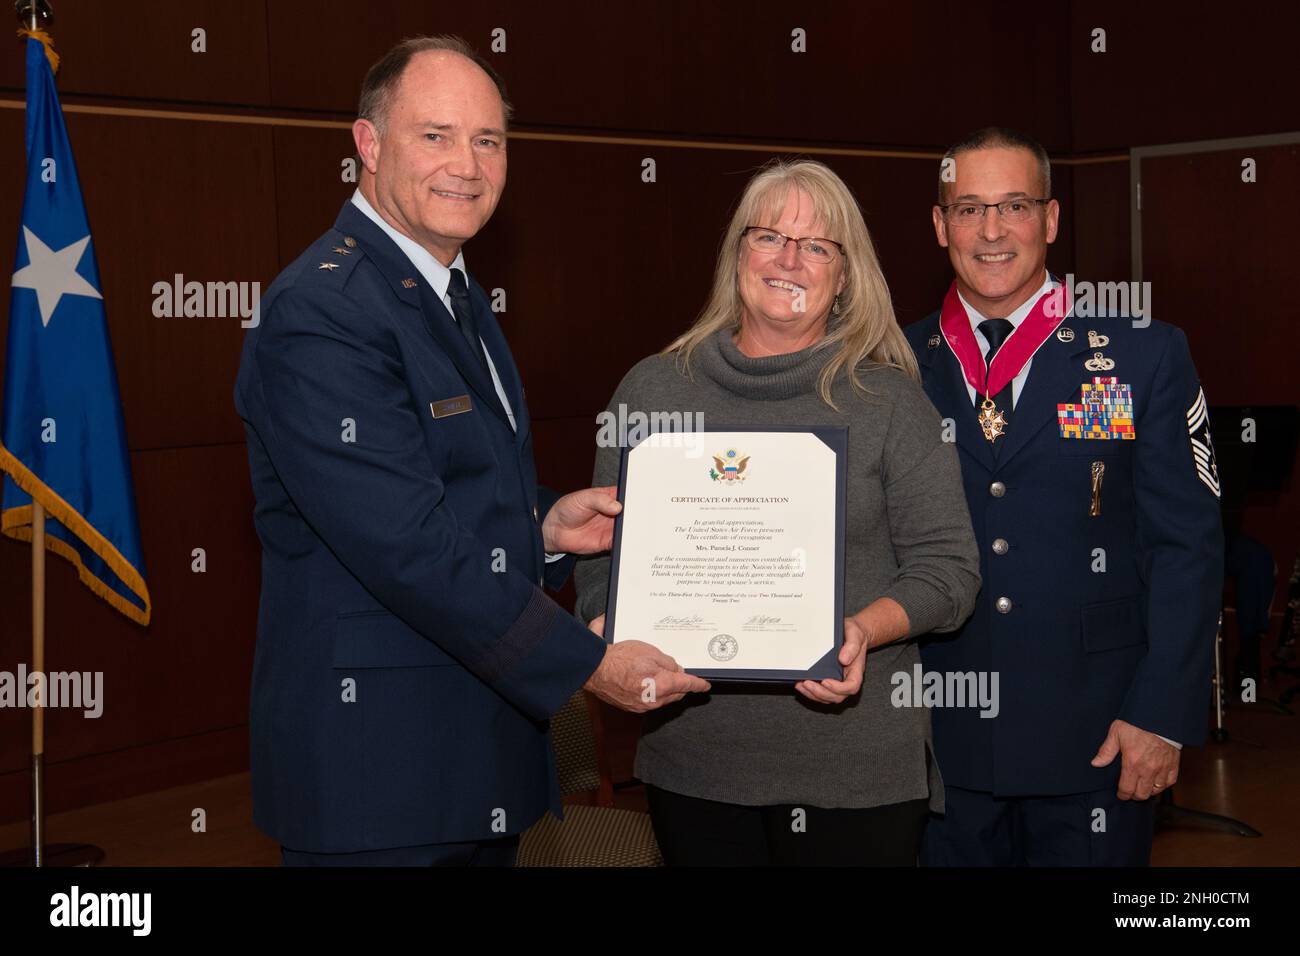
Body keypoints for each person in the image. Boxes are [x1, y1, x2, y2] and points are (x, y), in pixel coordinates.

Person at [233, 35, 707, 867]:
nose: (468, 164)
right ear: (368, 145)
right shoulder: (325, 312)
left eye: (488, 140)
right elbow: (407, 546)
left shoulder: (444, 286)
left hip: (462, 756)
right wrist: (588, 663)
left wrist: (544, 526)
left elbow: (439, 490)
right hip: (379, 778)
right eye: (436, 136)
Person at [574, 159, 981, 866]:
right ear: (738, 253)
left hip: (856, 771)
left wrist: (859, 628)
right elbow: (601, 551)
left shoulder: (889, 400)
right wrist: (602, 627)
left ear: (845, 274)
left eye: (818, 246)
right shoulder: (654, 388)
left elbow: (950, 572)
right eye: (769, 237)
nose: (789, 259)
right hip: (695, 762)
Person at [906, 127, 1224, 866]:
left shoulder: (1144, 351)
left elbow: (1188, 546)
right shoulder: (893, 362)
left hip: (1101, 737)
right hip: (936, 742)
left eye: (1014, 205)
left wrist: (1162, 714)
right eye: (969, 208)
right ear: (939, 224)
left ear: (1049, 220)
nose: (991, 231)